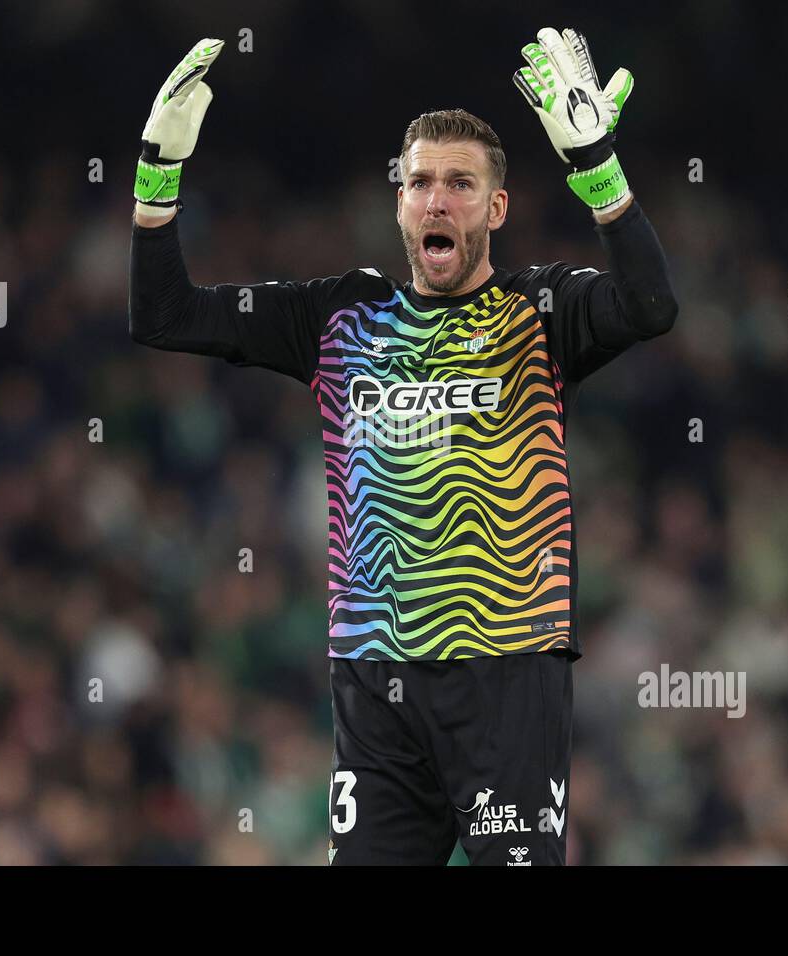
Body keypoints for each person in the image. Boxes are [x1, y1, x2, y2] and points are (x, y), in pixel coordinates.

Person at [128, 28, 678, 865]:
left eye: (461, 184)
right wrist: (156, 181)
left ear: (495, 209)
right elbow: (164, 316)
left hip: (507, 670)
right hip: (373, 679)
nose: (437, 201)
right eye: (419, 182)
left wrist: (599, 171)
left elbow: (649, 306)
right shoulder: (341, 316)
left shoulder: (541, 310)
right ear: (398, 202)